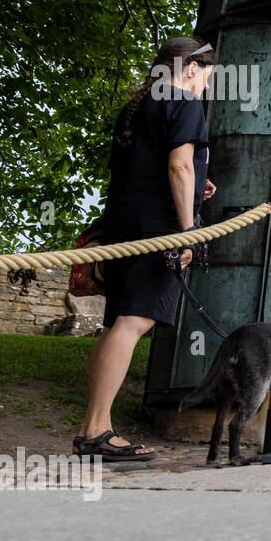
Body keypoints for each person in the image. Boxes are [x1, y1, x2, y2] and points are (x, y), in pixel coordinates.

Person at [76, 37, 217, 463]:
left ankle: (92, 428)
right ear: (192, 68)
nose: (205, 88)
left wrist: (197, 186)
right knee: (133, 323)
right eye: (207, 78)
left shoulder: (139, 105)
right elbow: (177, 165)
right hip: (157, 231)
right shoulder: (184, 102)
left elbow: (160, 168)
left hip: (123, 224)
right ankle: (97, 431)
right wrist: (188, 230)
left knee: (117, 323)